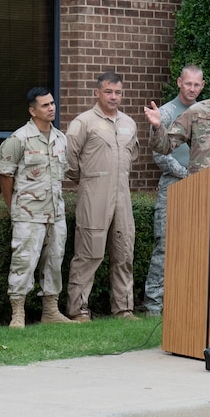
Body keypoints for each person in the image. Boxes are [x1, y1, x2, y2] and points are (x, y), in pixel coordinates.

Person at [64, 71, 140, 322]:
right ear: (97, 92)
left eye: (118, 92)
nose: (114, 97)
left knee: (123, 252)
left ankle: (123, 308)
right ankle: (78, 309)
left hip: (122, 196)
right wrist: (89, 181)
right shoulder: (82, 122)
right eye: (108, 91)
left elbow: (133, 156)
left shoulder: (129, 123)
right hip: (93, 195)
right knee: (89, 253)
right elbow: (70, 161)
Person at [0, 88, 74, 328]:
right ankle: (17, 314)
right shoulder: (18, 139)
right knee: (24, 262)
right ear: (32, 110)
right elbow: (5, 175)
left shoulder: (61, 138)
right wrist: (14, 209)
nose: (51, 108)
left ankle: (50, 311)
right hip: (28, 214)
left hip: (55, 213)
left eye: (52, 103)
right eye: (45, 105)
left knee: (54, 261)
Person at [141, 65, 205, 316]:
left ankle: (187, 301)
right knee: (165, 244)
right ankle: (154, 304)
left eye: (197, 85)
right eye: (188, 83)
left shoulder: (204, 112)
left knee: (197, 245)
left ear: (202, 86)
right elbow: (159, 153)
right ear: (179, 82)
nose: (192, 89)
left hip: (201, 187)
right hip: (173, 184)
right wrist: (185, 173)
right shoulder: (165, 112)